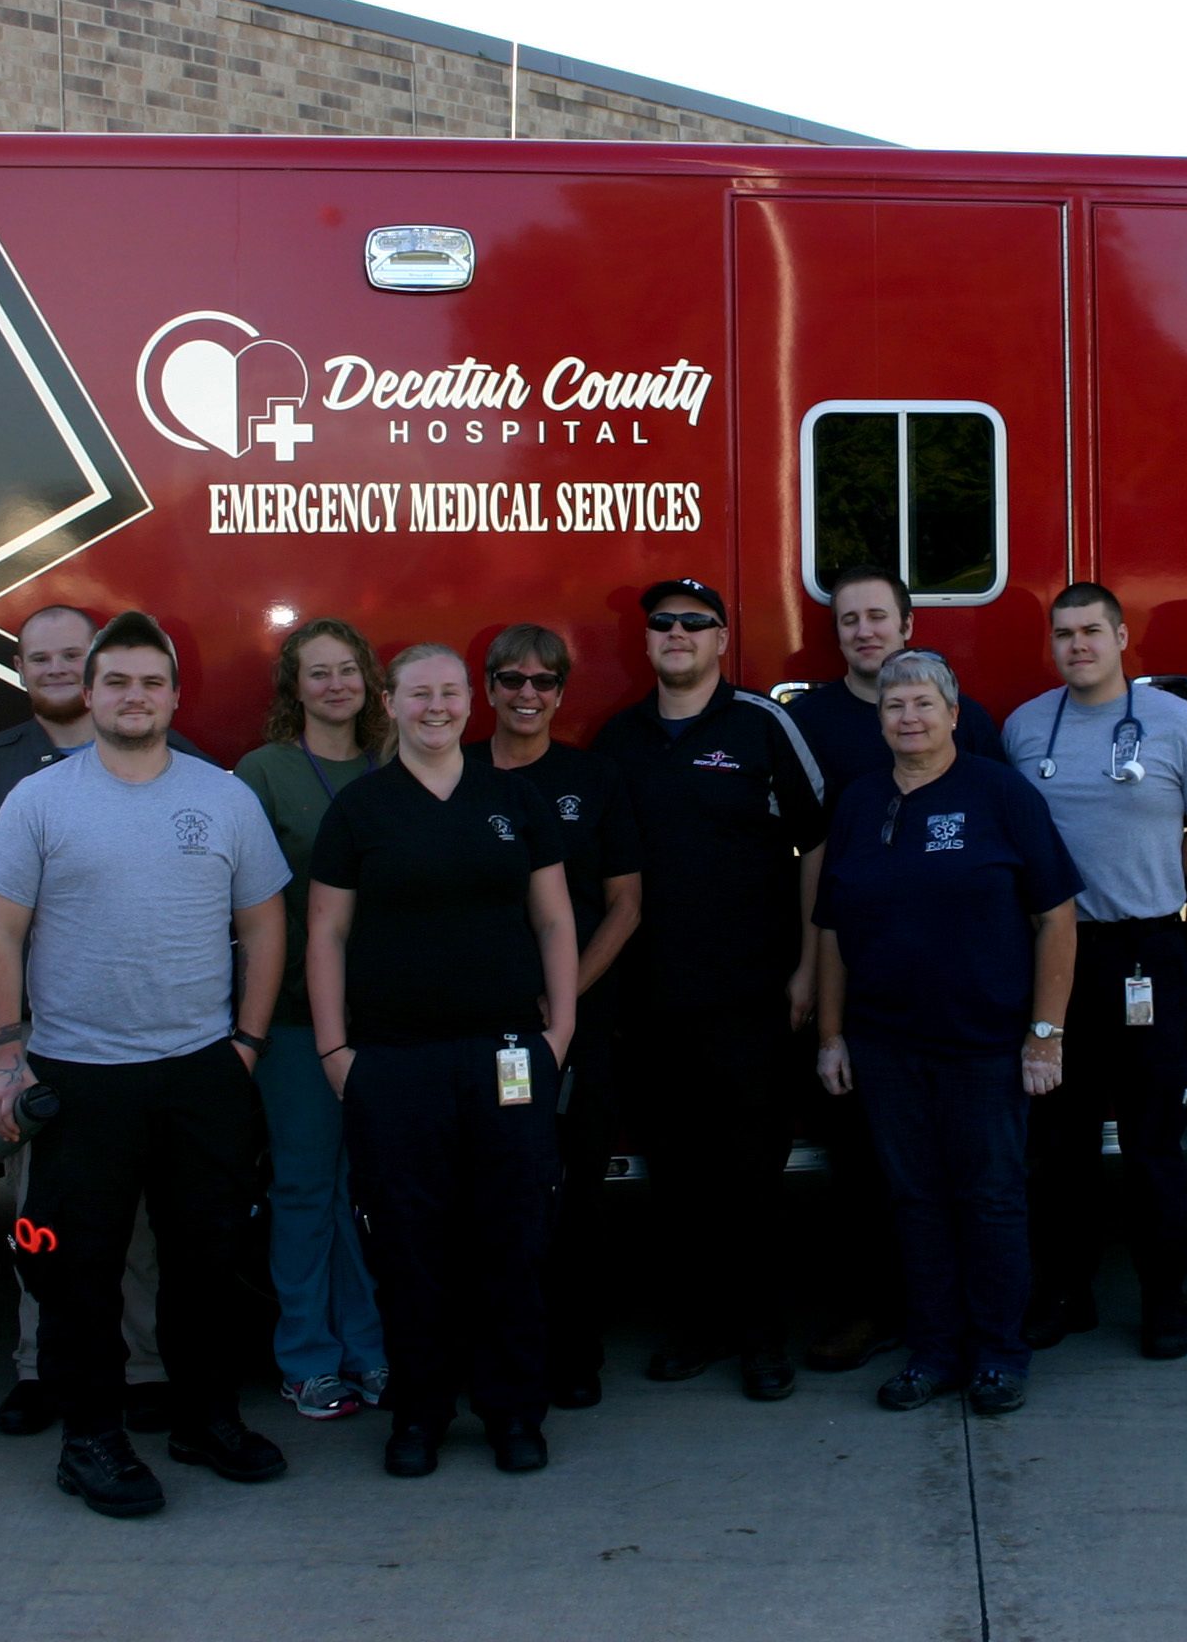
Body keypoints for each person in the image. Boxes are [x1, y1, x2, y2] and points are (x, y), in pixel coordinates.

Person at [0, 610, 292, 1517]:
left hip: (201, 1072)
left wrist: (248, 1041)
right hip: (78, 1074)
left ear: (175, 696)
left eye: (151, 682)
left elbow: (266, 920)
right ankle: (92, 1440)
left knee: (207, 1261)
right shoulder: (40, 801)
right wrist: (6, 1055)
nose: (134, 696)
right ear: (90, 691)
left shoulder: (223, 797)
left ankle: (205, 1417)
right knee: (79, 1271)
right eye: (116, 681)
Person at [307, 644, 577, 1478]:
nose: (436, 707)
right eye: (419, 693)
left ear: (471, 702)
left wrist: (557, 1035)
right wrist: (335, 1053)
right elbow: (326, 934)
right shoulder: (360, 810)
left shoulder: (513, 798)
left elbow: (556, 923)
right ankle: (419, 1415)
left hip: (508, 1057)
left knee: (514, 1239)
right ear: (389, 703)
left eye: (450, 692)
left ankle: (512, 1415)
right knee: (410, 1247)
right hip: (392, 1063)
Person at [0, 603, 184, 1438]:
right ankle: (41, 1368)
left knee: (131, 1205)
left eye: (76, 655)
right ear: (21, 669)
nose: (58, 669)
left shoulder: (179, 770)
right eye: (40, 658)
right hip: (14, 1033)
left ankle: (139, 1367)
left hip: (131, 1033)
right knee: (40, 1201)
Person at [814, 649, 1080, 1416]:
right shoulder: (861, 804)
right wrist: (832, 1034)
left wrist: (1045, 1033)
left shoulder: (1002, 795)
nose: (908, 718)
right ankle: (933, 1353)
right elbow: (830, 926)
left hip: (982, 1046)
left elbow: (1055, 916)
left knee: (991, 1199)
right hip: (887, 1046)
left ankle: (999, 1355)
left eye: (924, 705)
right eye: (895, 706)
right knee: (915, 1201)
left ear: (954, 716)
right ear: (880, 719)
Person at [592, 578, 828, 1402]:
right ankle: (695, 1328)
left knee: (752, 1176)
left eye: (696, 623)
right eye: (663, 623)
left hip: (751, 997)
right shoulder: (616, 740)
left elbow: (819, 846)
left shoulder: (764, 726)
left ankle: (763, 1340)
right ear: (648, 641)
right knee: (677, 1177)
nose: (678, 634)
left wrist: (807, 965)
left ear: (723, 640)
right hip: (650, 1002)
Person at [1002, 582, 1187, 1361]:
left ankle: (1164, 1300)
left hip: (1145, 955)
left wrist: (1149, 877)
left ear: (1122, 636)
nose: (1077, 646)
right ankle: (1066, 1294)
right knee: (1058, 1140)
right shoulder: (1026, 728)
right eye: (1063, 634)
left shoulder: (1178, 725)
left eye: (1092, 631)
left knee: (1150, 1138)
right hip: (1056, 958)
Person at [788, 564, 1004, 1372]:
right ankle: (870, 1311)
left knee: (977, 1171)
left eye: (878, 617)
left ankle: (983, 1320)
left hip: (958, 988)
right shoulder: (808, 723)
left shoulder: (967, 719)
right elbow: (812, 856)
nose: (864, 631)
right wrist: (813, 972)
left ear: (908, 626)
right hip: (862, 980)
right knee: (862, 1163)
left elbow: (1005, 854)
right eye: (849, 620)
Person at [466, 624, 641, 1411]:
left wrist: (561, 1003)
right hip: (479, 1030)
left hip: (575, 1030)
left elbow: (625, 906)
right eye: (511, 680)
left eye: (543, 682)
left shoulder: (594, 777)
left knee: (575, 1194)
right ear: (489, 688)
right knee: (492, 1194)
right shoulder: (452, 772)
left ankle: (574, 1353)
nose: (526, 694)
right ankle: (497, 1355)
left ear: (562, 693)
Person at [234, 619, 390, 1423]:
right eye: (317, 673)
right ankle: (308, 1358)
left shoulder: (394, 763)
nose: (335, 685)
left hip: (391, 1019)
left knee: (368, 1189)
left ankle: (369, 1349)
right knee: (305, 1186)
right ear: (295, 689)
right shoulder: (263, 773)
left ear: (367, 679)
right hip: (295, 1017)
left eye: (347, 670)